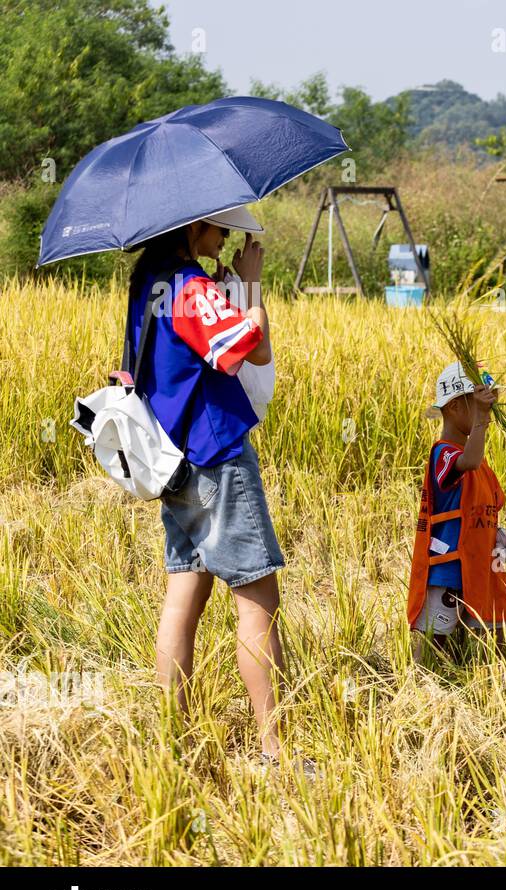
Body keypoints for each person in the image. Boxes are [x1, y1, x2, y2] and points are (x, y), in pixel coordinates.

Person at [127, 206, 288, 764]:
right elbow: (254, 349)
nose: (226, 236)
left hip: (170, 460)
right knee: (258, 599)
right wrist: (250, 287)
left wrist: (221, 288)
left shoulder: (147, 283)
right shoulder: (191, 287)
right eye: (220, 227)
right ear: (191, 227)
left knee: (183, 597)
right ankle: (277, 753)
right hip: (215, 455)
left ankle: (174, 742)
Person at [406, 362, 506, 663]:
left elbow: (485, 505)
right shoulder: (443, 453)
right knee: (434, 641)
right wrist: (482, 418)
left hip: (479, 568)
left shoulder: (481, 465)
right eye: (478, 406)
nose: (486, 415)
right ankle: (417, 688)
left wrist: (498, 537)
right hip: (447, 570)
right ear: (456, 407)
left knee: (492, 635)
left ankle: (484, 689)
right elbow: (467, 461)